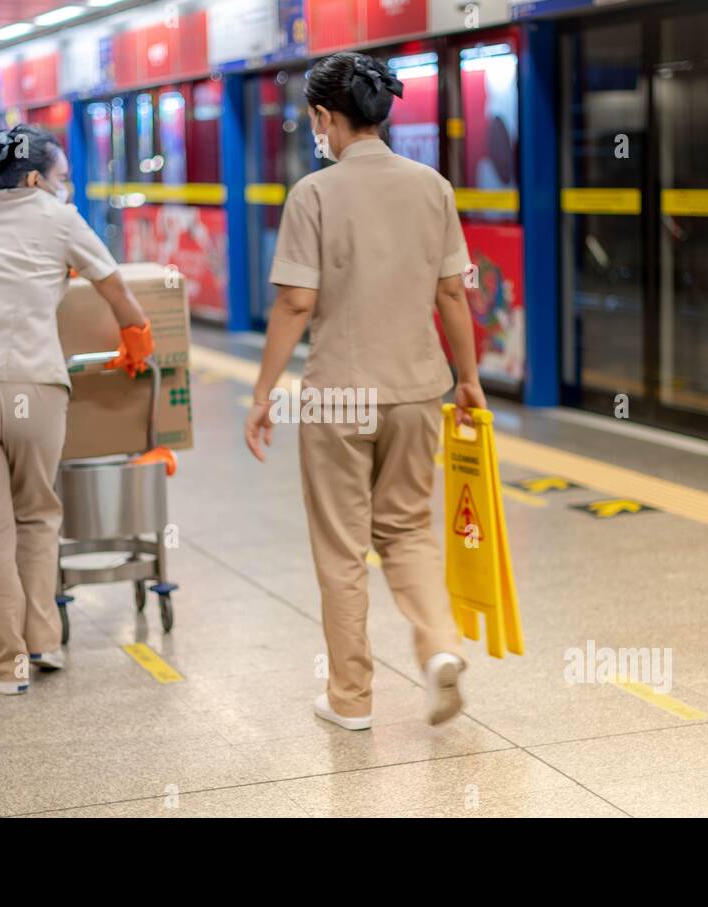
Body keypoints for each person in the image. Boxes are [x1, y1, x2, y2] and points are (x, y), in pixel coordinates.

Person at [243, 52, 487, 729]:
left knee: (342, 548)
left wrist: (263, 391)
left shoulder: (314, 194)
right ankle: (439, 649)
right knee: (407, 531)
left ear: (325, 117)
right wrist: (467, 380)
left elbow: (295, 302)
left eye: (313, 121)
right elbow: (451, 295)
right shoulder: (433, 186)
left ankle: (351, 699)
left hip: (338, 396)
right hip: (417, 389)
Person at [0, 124, 154, 695]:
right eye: (61, 177)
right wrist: (136, 335)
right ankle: (45, 642)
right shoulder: (60, 218)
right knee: (37, 514)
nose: (67, 188)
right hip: (37, 385)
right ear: (36, 178)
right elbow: (117, 291)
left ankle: (2, 667)